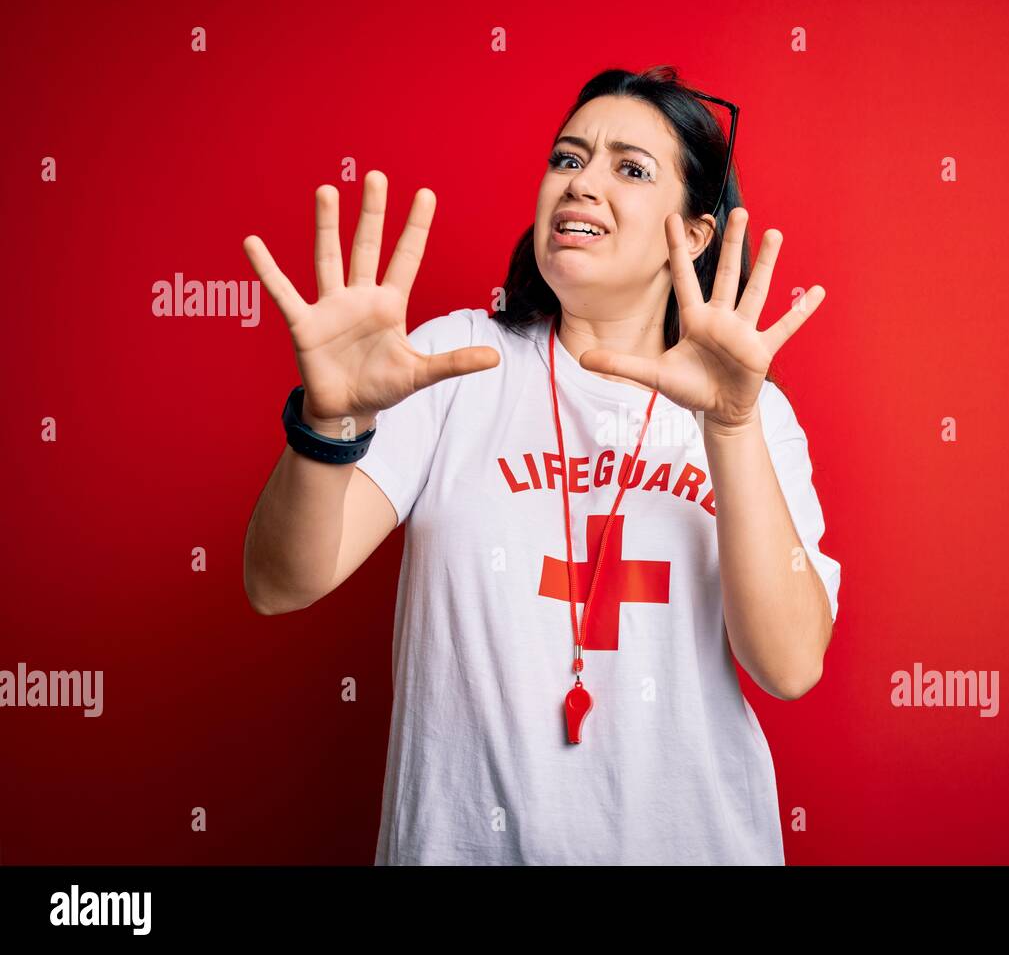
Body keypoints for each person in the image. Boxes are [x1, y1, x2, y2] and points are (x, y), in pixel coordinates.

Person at [241, 65, 841, 865]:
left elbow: (791, 665)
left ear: (693, 234)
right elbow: (279, 584)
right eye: (568, 159)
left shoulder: (755, 411)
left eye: (630, 169)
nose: (582, 184)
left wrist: (729, 428)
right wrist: (328, 421)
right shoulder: (456, 362)